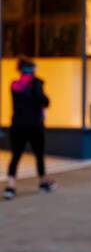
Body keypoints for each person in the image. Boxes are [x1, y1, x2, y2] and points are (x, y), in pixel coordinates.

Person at [4, 57, 55, 199]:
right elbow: (44, 101)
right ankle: (43, 182)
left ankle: (10, 186)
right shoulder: (36, 84)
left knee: (16, 156)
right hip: (34, 126)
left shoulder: (14, 85)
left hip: (17, 125)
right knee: (39, 155)